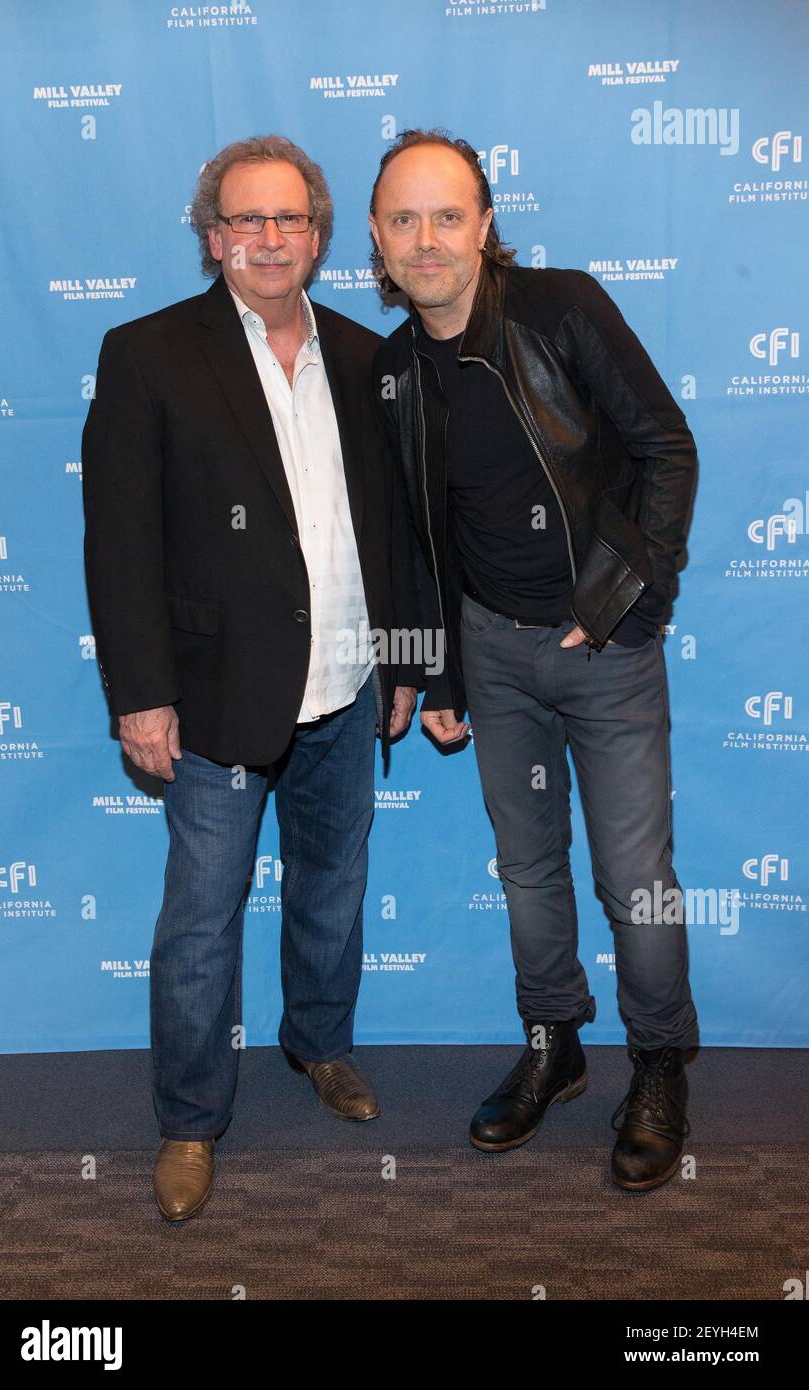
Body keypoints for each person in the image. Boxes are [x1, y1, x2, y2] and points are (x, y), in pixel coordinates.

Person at [82, 135, 420, 1222]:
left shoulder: (371, 359)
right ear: (213, 235)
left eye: (292, 219)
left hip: (347, 684)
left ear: (320, 236)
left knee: (331, 893)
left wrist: (408, 657)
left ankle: (320, 1048)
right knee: (201, 921)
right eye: (247, 220)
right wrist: (140, 693)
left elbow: (395, 530)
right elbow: (120, 543)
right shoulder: (147, 354)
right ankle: (189, 1121)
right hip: (215, 693)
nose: (270, 239)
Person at [370, 128, 700, 1192]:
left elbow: (664, 446)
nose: (427, 240)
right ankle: (554, 1045)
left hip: (603, 653)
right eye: (404, 219)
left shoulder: (563, 308)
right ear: (377, 240)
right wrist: (436, 674)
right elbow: (413, 538)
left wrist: (626, 598)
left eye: (447, 215)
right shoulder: (390, 371)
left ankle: (657, 1064)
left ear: (485, 226)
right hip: (491, 659)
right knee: (526, 870)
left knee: (635, 878)